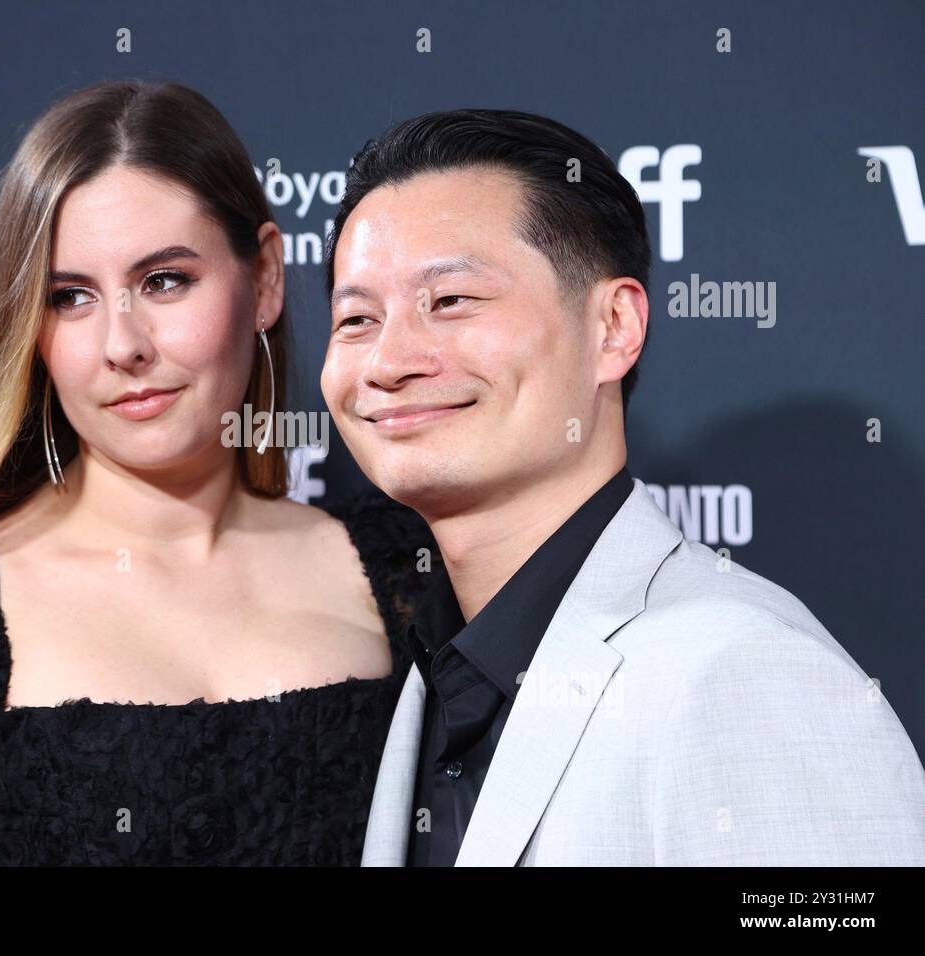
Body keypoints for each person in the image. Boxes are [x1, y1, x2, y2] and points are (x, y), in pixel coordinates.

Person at [0, 79, 436, 866]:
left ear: (266, 279)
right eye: (71, 297)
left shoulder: (400, 570)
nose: (124, 343)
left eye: (164, 281)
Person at [319, 108, 925, 865]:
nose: (388, 360)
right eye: (355, 318)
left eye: (450, 301)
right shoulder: (424, 674)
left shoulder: (748, 676)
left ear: (614, 327)